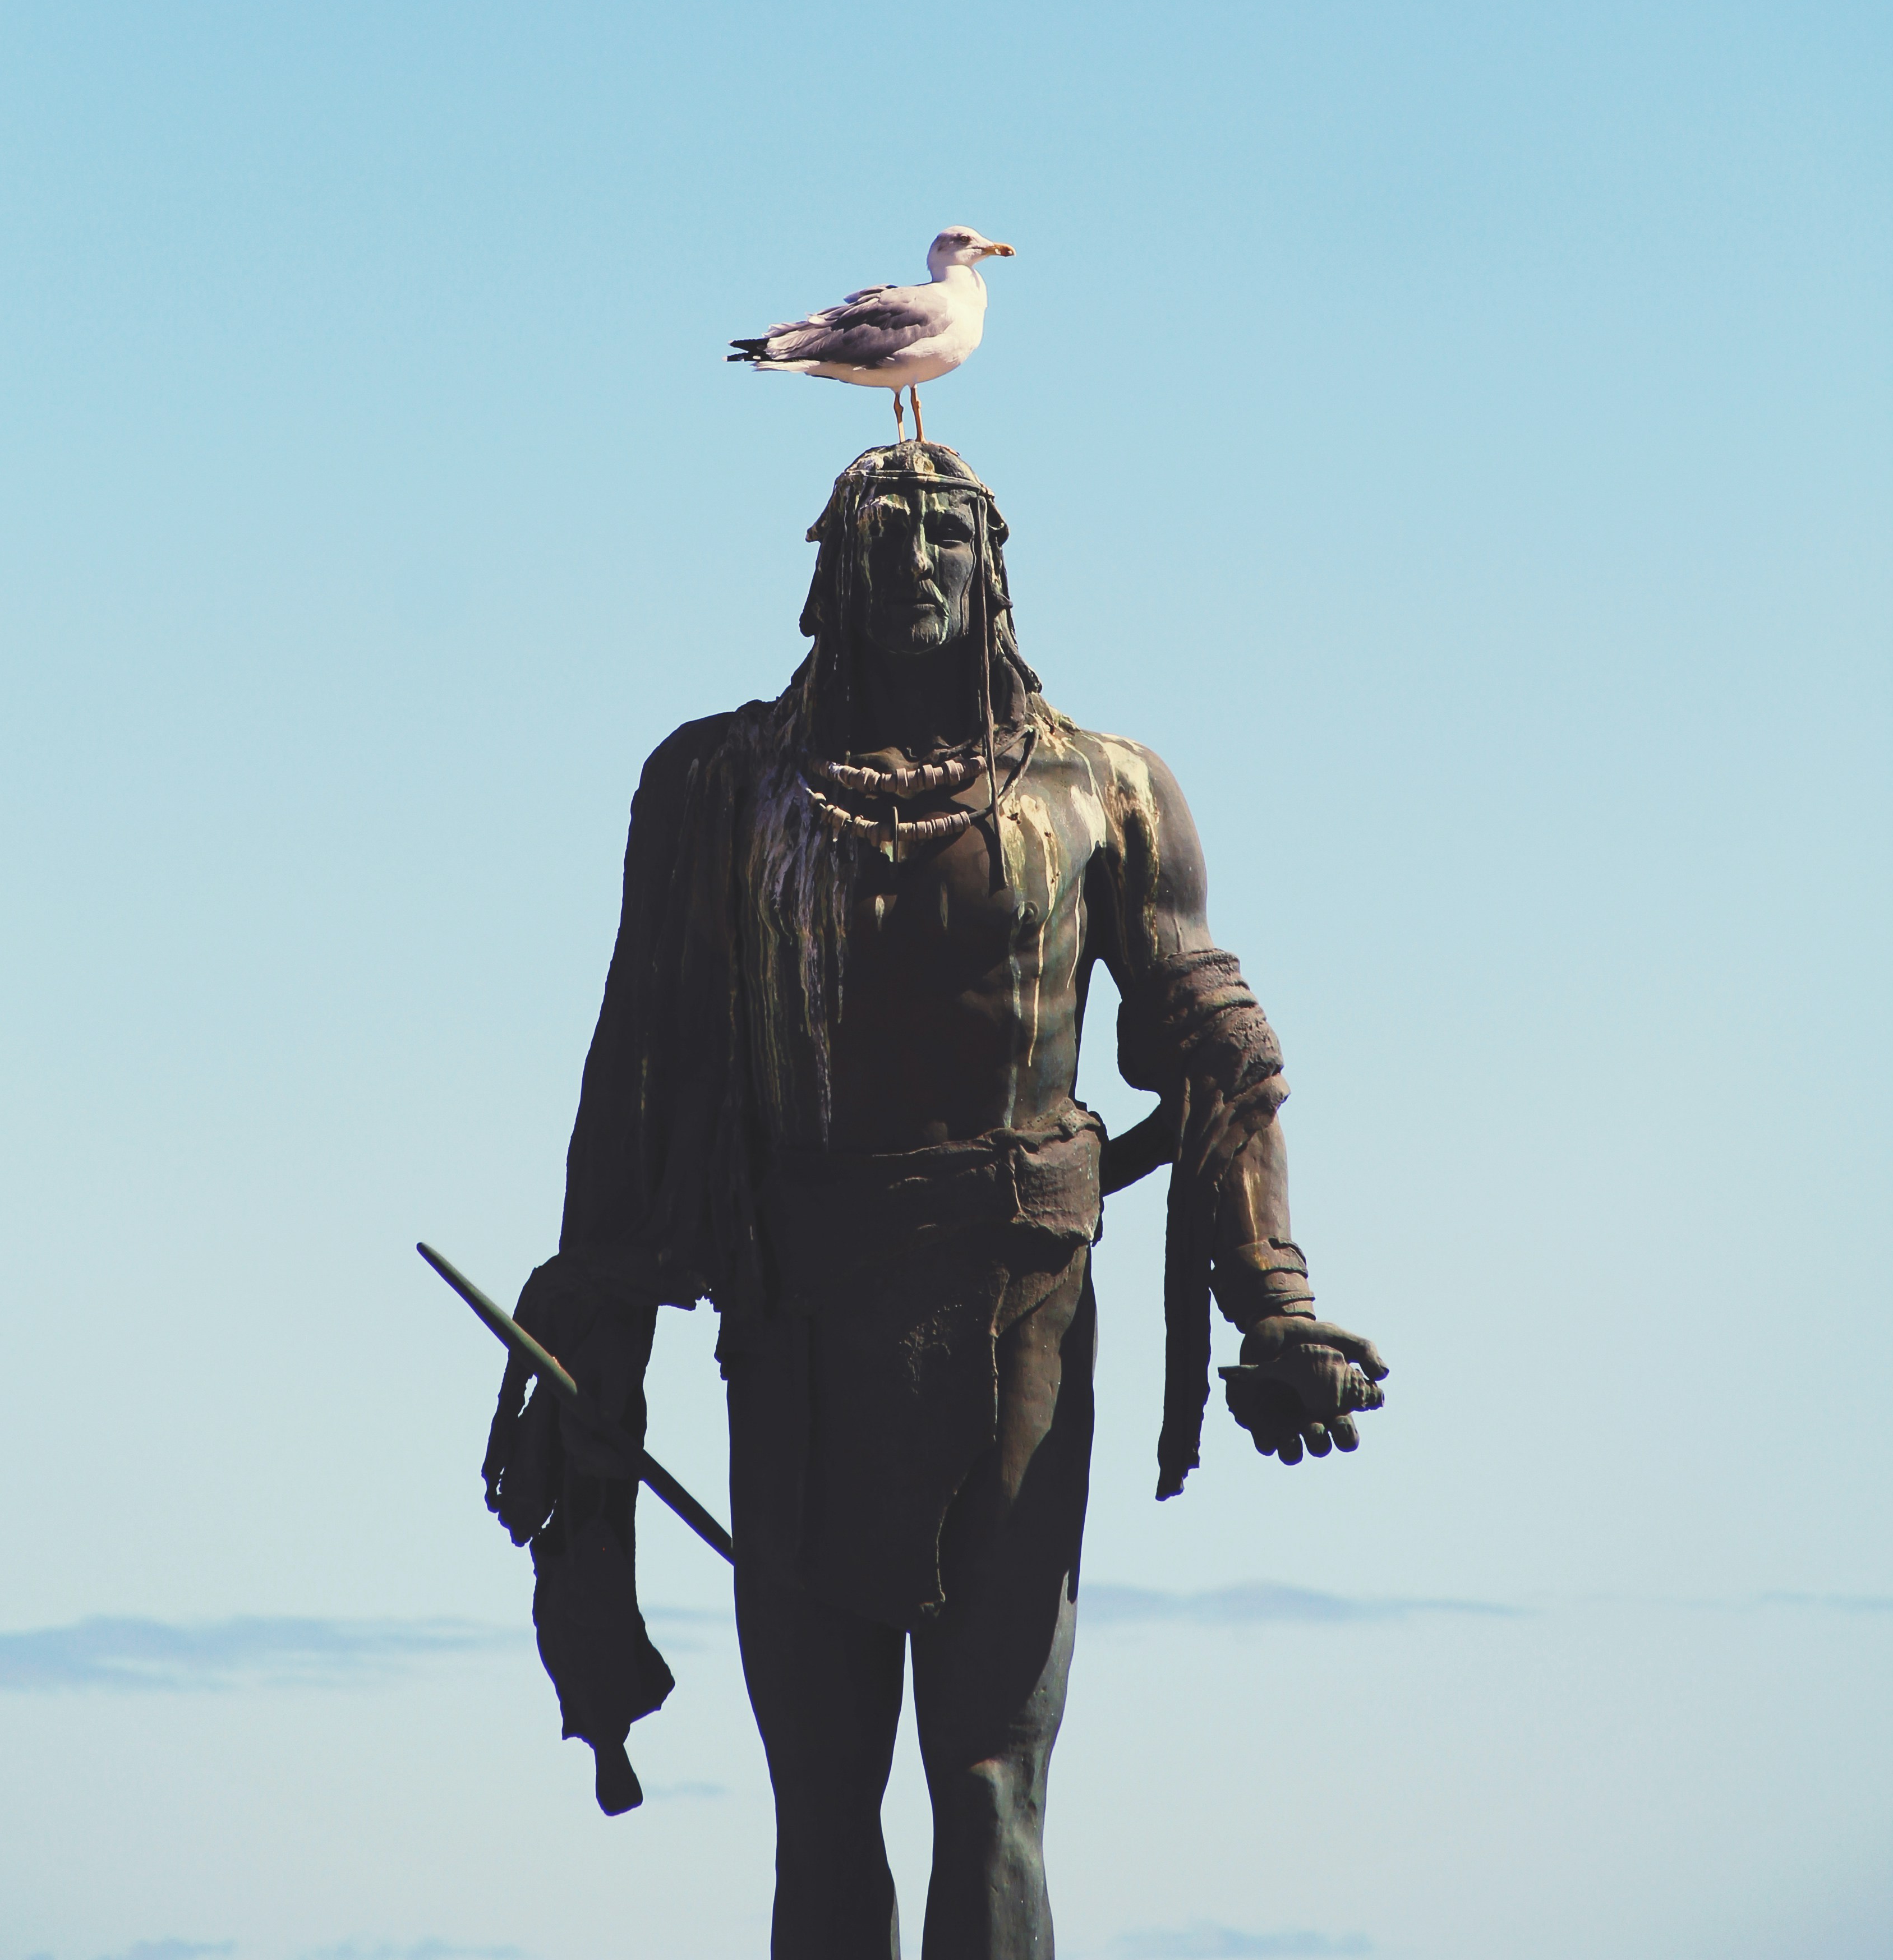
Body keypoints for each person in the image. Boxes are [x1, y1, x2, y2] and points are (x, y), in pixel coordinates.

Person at [481, 442, 1385, 1959]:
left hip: (1019, 1325)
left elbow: (1217, 1041)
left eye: (944, 533)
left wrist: (1270, 1299)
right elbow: (634, 1076)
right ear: (825, 573)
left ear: (994, 571)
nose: (913, 559)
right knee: (825, 1799)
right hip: (798, 1336)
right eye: (881, 533)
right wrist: (597, 1358)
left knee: (987, 1785)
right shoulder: (716, 787)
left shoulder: (1105, 791)